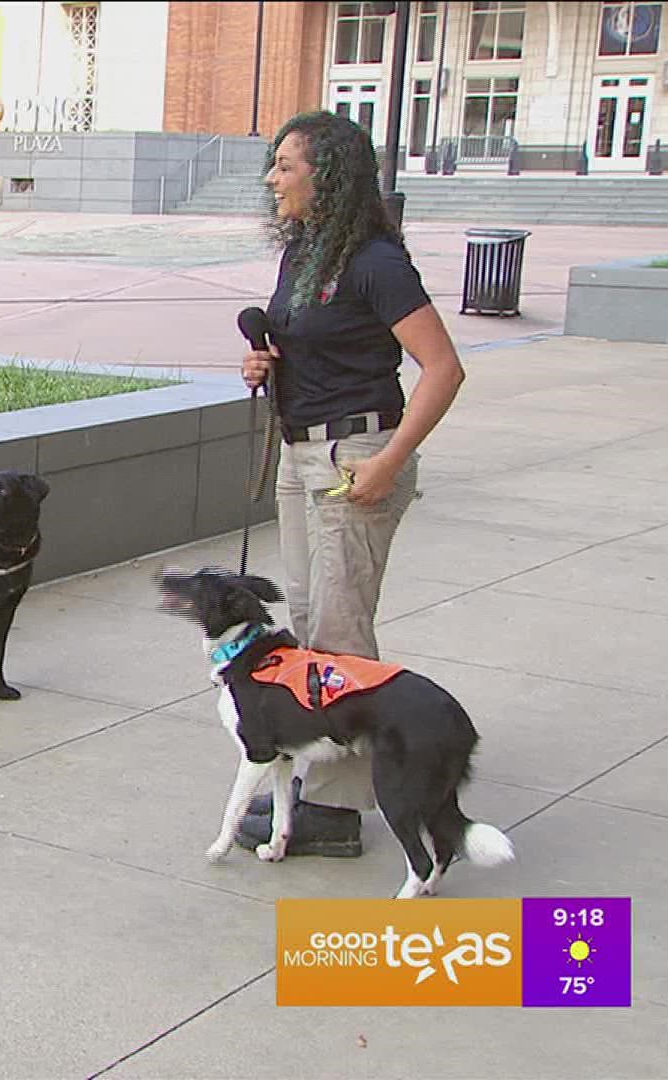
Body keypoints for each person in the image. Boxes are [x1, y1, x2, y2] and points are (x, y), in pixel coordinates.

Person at [233, 111, 466, 858]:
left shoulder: (375, 261)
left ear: (325, 178)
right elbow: (310, 342)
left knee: (339, 634)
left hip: (354, 458)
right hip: (300, 456)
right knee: (308, 624)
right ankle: (317, 776)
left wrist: (391, 461)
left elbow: (444, 368)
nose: (273, 179)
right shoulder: (304, 251)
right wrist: (266, 364)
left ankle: (335, 810)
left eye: (286, 167)